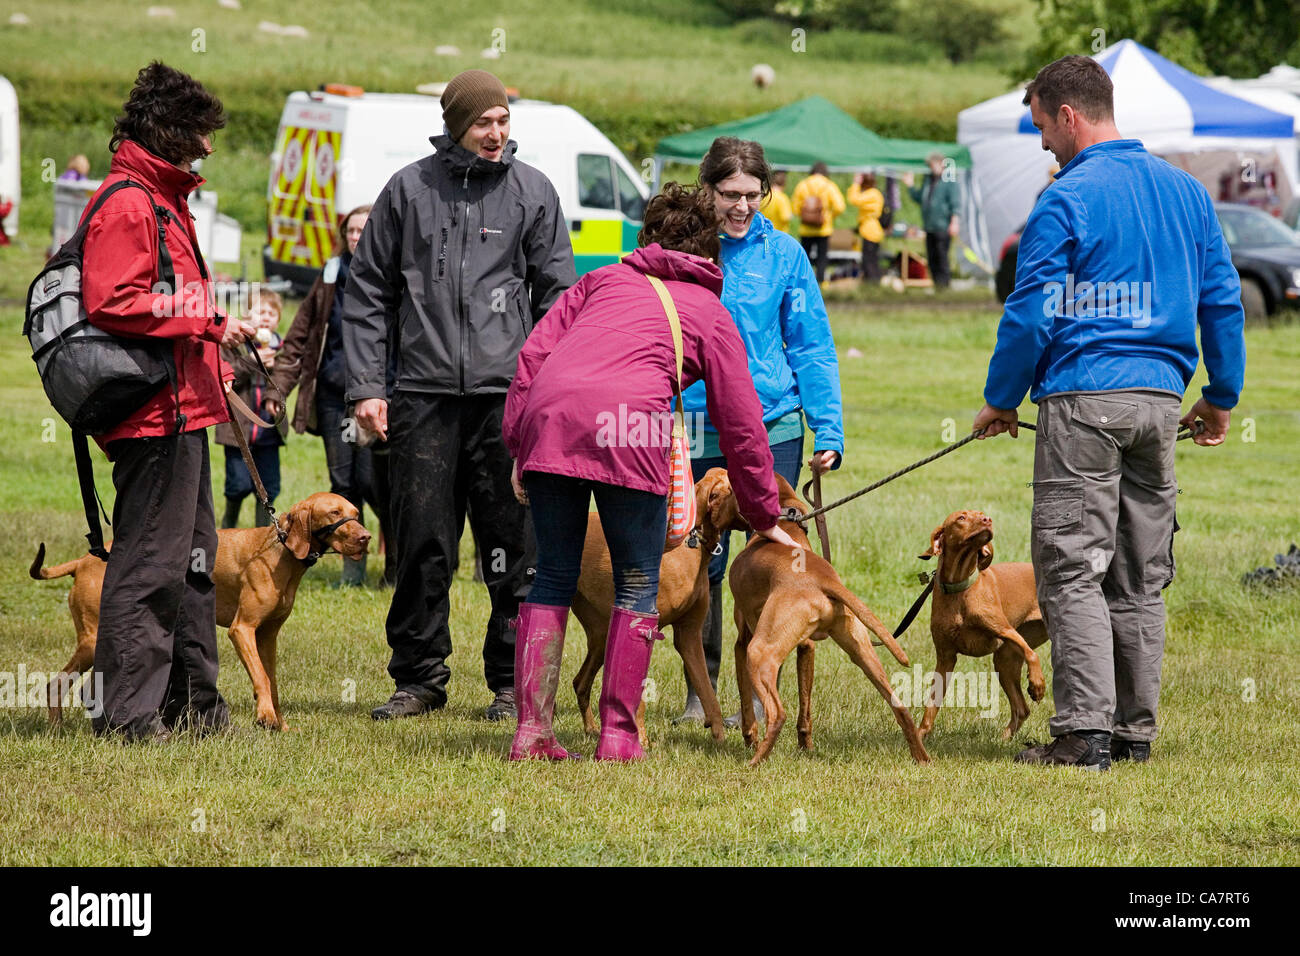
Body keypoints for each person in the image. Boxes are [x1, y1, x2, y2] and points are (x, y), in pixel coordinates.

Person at [973, 55, 1245, 769]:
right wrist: (1220, 397)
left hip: (1084, 401)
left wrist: (1002, 399)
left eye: (1040, 127)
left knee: (1071, 567)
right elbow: (1223, 302)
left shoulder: (1066, 198)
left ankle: (1083, 736)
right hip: (1159, 404)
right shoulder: (1188, 194)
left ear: (1069, 115)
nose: (1040, 144)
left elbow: (1030, 315)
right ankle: (1133, 735)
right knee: (1138, 575)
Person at [502, 183, 797, 762]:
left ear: (647, 238)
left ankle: (531, 732)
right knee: (639, 580)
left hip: (552, 424)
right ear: (709, 251)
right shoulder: (709, 312)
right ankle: (617, 737)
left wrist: (520, 443)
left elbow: (533, 358)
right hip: (630, 431)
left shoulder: (600, 281)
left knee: (554, 574)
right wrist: (765, 513)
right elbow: (742, 426)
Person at [344, 69, 576, 721]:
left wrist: (548, 387)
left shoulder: (534, 194)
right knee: (422, 540)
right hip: (422, 396)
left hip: (509, 402)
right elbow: (365, 296)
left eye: (504, 121)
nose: (497, 134)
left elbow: (558, 296)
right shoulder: (407, 191)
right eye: (484, 123)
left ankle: (511, 682)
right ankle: (418, 678)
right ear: (456, 126)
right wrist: (366, 386)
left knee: (514, 542)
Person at [81, 61, 255, 741]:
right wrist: (209, 321)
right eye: (200, 132)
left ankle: (196, 711)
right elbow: (114, 300)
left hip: (185, 406)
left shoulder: (162, 199)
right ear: (168, 131)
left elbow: (166, 305)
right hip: (153, 415)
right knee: (149, 565)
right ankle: (126, 719)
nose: (208, 146)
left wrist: (217, 363)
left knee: (192, 564)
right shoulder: (129, 201)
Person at [678, 137, 844, 727]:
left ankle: (765, 691)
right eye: (729, 195)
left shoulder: (787, 256)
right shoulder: (685, 248)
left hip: (772, 425)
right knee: (700, 559)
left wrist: (828, 428)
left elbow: (812, 344)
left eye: (752, 195)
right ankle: (704, 690)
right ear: (708, 191)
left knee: (771, 559)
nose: (742, 207)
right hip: (696, 423)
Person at [272, 204, 391, 586]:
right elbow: (300, 334)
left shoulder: (393, 273)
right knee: (344, 484)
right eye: (351, 231)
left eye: (364, 230)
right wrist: (279, 387)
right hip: (334, 398)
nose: (357, 237)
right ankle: (352, 572)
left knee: (377, 486)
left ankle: (395, 567)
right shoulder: (330, 274)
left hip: (375, 399)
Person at [215, 289, 288, 528]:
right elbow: (227, 376)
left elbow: (289, 376)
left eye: (271, 313)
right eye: (260, 312)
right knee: (238, 484)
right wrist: (253, 362)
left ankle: (262, 533)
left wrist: (274, 373)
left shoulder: (281, 348)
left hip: (268, 432)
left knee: (270, 486)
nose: (266, 317)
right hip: (238, 432)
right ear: (247, 316)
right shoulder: (235, 345)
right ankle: (229, 524)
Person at [903, 152, 960, 289]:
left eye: (933, 164)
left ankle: (944, 285)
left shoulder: (949, 181)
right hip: (929, 226)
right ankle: (937, 285)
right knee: (932, 257)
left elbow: (955, 204)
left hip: (943, 226)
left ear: (941, 163)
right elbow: (920, 198)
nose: (931, 167)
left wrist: (954, 222)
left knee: (942, 256)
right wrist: (910, 186)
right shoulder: (928, 180)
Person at [790, 161, 845, 283]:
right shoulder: (829, 185)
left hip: (805, 229)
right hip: (823, 229)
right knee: (822, 258)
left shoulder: (803, 185)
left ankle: (803, 282)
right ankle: (820, 282)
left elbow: (794, 208)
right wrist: (828, 216)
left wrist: (806, 216)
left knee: (805, 257)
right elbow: (840, 206)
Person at [847, 171, 885, 281]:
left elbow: (854, 199)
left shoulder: (872, 193)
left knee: (869, 261)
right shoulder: (874, 193)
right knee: (870, 260)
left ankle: (872, 282)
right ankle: (872, 282)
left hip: (871, 231)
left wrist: (855, 184)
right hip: (871, 230)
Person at [759, 169, 792, 234]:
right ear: (784, 182)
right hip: (778, 235)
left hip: (762, 233)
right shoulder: (782, 198)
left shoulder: (763, 195)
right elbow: (785, 217)